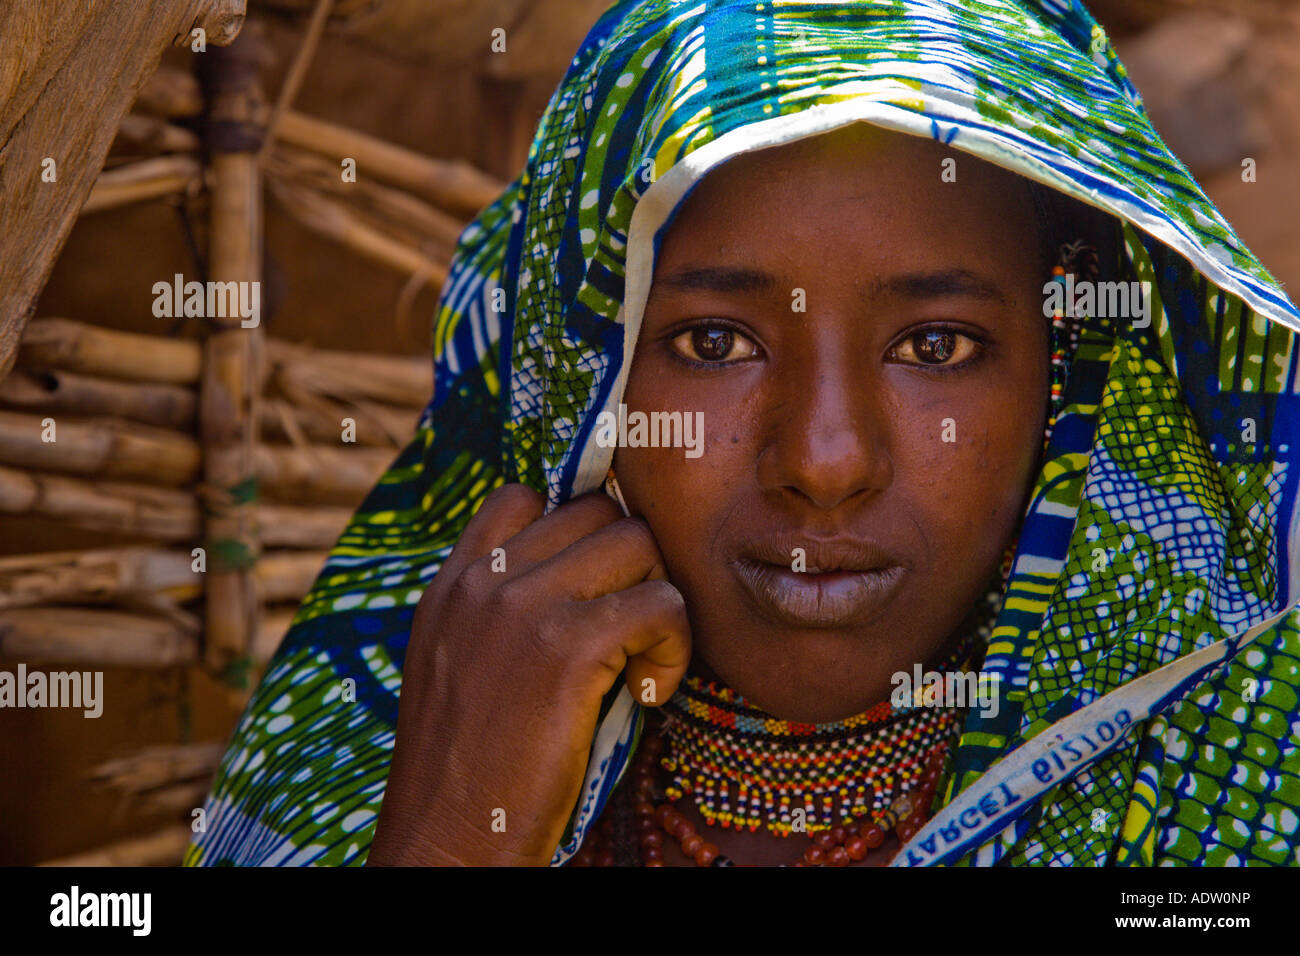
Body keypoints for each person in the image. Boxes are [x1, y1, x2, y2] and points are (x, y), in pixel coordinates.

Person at [187, 0, 1300, 868]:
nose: (825, 462)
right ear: (581, 371)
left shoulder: (1239, 776)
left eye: (936, 347)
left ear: (1069, 365)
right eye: (715, 343)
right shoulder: (371, 757)